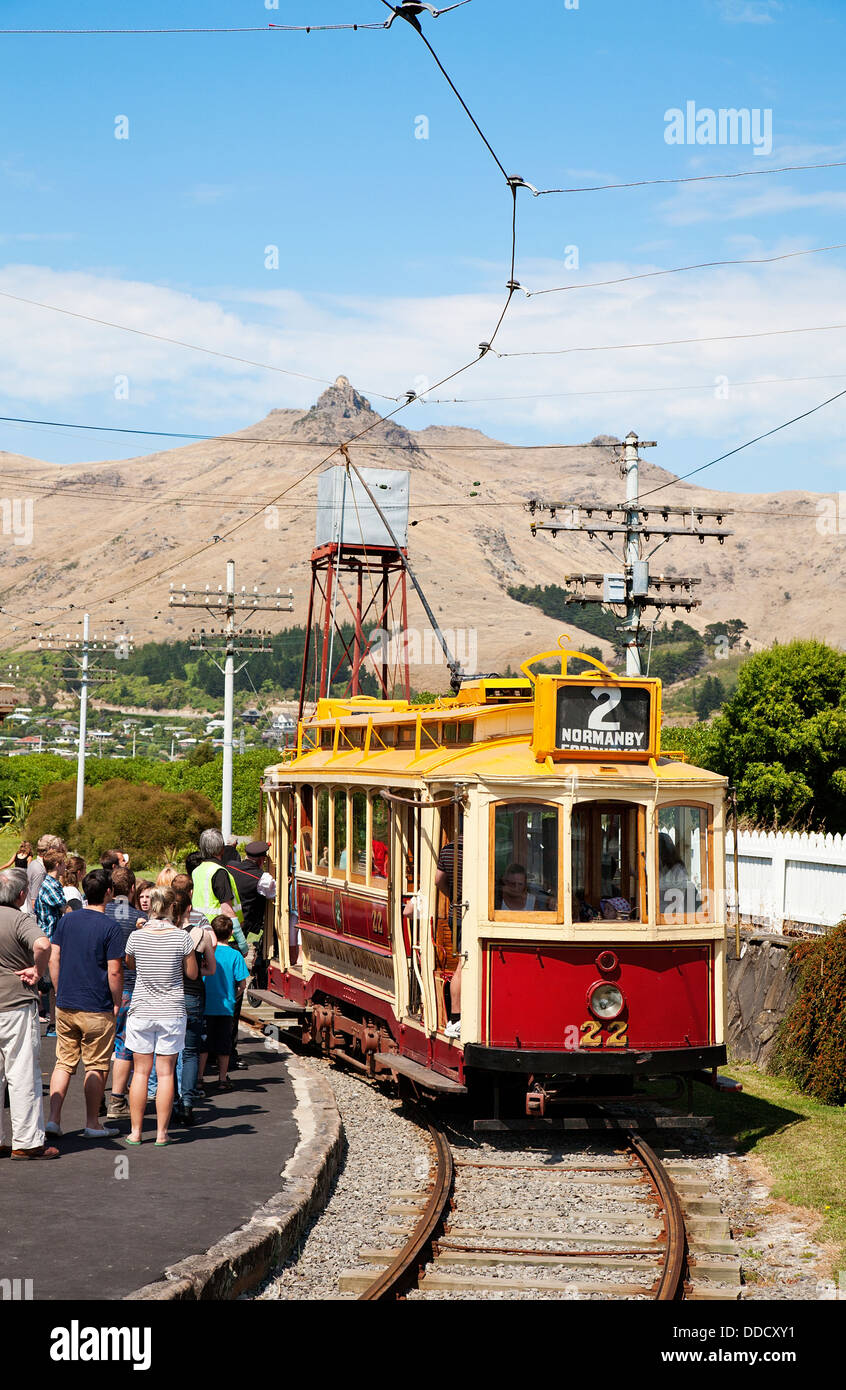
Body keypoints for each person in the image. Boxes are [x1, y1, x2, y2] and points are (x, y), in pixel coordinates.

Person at [46, 869, 124, 1140]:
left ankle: (53, 1119)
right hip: (97, 1005)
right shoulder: (111, 927)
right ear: (108, 893)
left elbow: (54, 957)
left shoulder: (67, 921)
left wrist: (58, 988)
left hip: (67, 1002)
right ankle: (92, 1123)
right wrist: (117, 1001)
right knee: (96, 1065)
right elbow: (114, 971)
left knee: (64, 1062)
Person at [123, 886, 198, 1145]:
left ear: (151, 906)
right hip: (172, 1010)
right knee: (165, 1073)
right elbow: (192, 974)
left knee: (141, 1073)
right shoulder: (182, 938)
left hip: (142, 1009)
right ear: (172, 908)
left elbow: (130, 964)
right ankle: (162, 1133)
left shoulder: (136, 936)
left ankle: (135, 1131)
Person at [0, 867, 58, 1159]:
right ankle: (27, 1141)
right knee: (21, 1073)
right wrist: (39, 969)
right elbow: (43, 943)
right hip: (16, 1004)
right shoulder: (20, 919)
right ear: (22, 894)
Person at [170, 874, 216, 1126]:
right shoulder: (199, 934)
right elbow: (211, 968)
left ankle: (170, 1101)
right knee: (189, 1053)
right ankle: (186, 1105)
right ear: (190, 907)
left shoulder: (164, 933)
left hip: (169, 995)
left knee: (168, 1053)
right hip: (193, 995)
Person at [104, 867, 147, 1120]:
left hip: (99, 988)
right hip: (129, 987)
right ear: (132, 889)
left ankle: (96, 1096)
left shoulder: (99, 913)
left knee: (99, 1044)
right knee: (123, 1043)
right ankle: (117, 1100)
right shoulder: (138, 918)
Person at [198, 915, 248, 1093]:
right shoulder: (235, 955)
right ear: (231, 933)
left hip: (206, 1005)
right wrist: (233, 995)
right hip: (226, 1007)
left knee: (203, 1044)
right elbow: (242, 984)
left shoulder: (206, 952)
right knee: (224, 1045)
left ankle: (199, 1078)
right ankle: (222, 1078)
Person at [190, 829, 248, 956]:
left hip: (201, 934)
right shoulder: (219, 872)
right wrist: (242, 942)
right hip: (222, 936)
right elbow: (226, 908)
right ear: (222, 848)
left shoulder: (197, 871)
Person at [34, 846, 68, 1036]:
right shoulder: (50, 885)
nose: (65, 867)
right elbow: (65, 909)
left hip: (52, 937)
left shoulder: (51, 884)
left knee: (50, 985)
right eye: (63, 864)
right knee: (54, 984)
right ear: (57, 864)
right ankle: (55, 1023)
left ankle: (54, 1022)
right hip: (51, 938)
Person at [435, 836, 464, 1038]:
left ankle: (456, 1017)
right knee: (464, 964)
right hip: (472, 915)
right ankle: (456, 1019)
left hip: (457, 913)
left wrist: (453, 897)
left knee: (462, 962)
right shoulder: (487, 844)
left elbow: (438, 880)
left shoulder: (448, 849)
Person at [658, 832, 699, 919]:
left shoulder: (677, 869)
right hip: (662, 913)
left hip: (673, 916)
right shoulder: (661, 868)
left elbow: (675, 896)